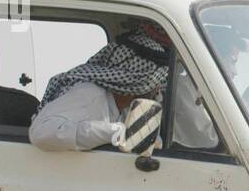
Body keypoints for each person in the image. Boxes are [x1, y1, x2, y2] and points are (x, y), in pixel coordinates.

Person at [29, 23, 171, 152]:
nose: (157, 88)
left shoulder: (125, 107)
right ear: (134, 80)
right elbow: (40, 133)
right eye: (153, 82)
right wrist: (116, 133)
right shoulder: (89, 95)